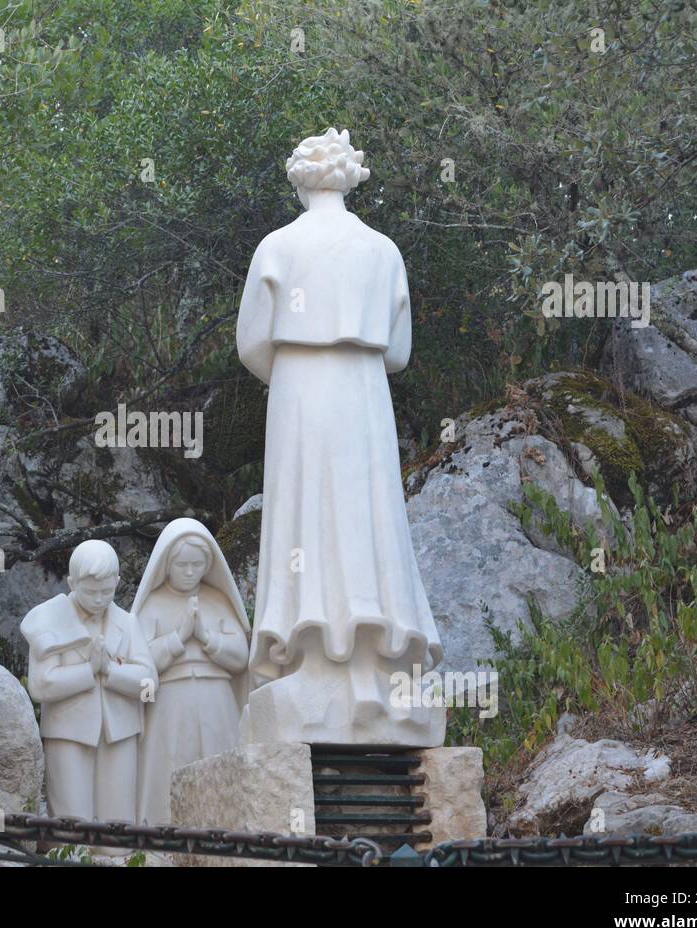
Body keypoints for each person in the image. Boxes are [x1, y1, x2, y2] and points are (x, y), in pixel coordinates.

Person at [235, 127, 444, 747]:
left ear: (299, 180)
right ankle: (376, 668)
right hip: (363, 394)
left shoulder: (277, 246)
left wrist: (293, 370)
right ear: (351, 179)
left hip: (300, 394)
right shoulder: (382, 250)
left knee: (305, 516)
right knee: (367, 517)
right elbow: (400, 352)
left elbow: (251, 344)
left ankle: (310, 659)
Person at [22, 539, 156, 829]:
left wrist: (110, 672)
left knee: (117, 832)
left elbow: (149, 683)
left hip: (119, 732)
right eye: (90, 591)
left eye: (106, 591)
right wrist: (88, 671)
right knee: (72, 828)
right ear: (71, 583)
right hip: (68, 732)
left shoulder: (128, 623)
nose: (99, 599)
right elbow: (41, 686)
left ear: (118, 583)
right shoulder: (47, 620)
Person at [130, 519, 250, 825]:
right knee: (167, 766)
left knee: (220, 763)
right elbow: (138, 661)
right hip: (169, 699)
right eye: (182, 564)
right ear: (167, 564)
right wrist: (179, 637)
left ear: (208, 565)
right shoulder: (153, 605)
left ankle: (226, 829)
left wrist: (208, 637)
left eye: (197, 564)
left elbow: (240, 657)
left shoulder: (219, 600)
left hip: (216, 698)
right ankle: (162, 830)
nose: (189, 571)